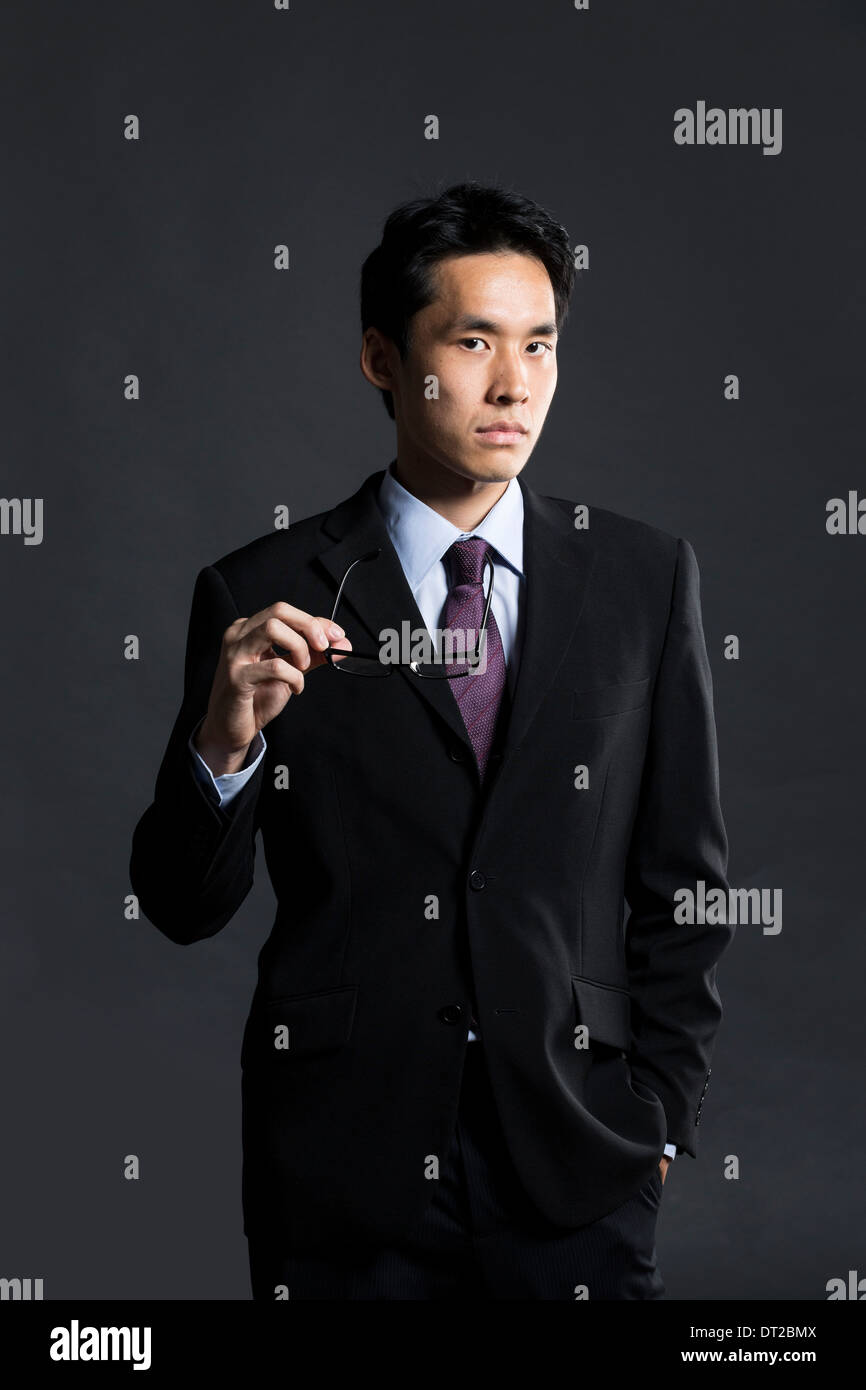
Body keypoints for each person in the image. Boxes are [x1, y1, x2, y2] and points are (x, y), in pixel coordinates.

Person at [129, 181, 734, 1300]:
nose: (513, 385)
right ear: (379, 357)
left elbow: (682, 884)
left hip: (577, 1160)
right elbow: (179, 903)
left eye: (539, 346)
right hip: (339, 1174)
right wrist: (223, 744)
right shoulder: (260, 591)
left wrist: (656, 1121)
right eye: (471, 341)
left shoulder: (642, 579)